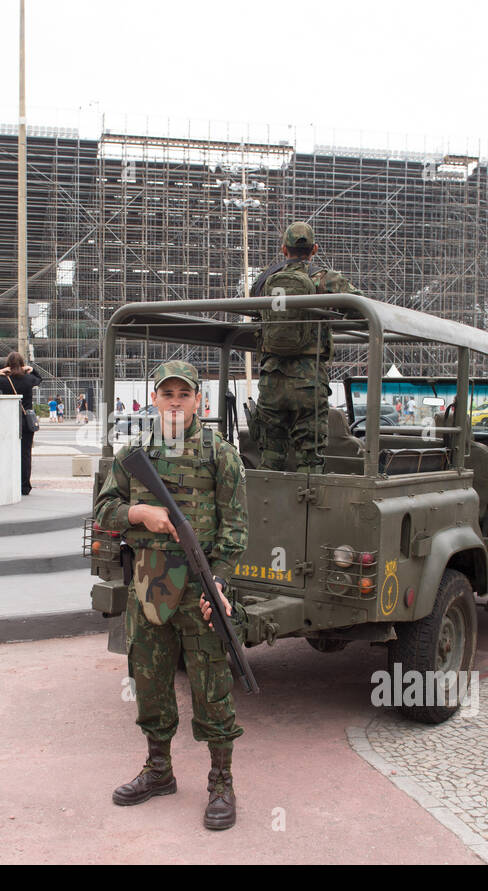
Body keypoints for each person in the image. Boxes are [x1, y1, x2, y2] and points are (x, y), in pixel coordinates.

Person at [94, 360, 249, 831]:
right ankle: (158, 770)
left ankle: (221, 781)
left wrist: (218, 584)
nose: (176, 402)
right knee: (150, 680)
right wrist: (140, 512)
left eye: (184, 394)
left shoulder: (220, 455)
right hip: (150, 585)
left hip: (200, 590)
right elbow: (104, 508)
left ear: (198, 400)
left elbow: (235, 532)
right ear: (155, 400)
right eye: (168, 394)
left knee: (212, 686)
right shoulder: (134, 453)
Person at [249, 221, 360, 472]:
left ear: (283, 250)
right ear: (315, 249)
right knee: (309, 458)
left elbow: (253, 310)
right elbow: (359, 305)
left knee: (270, 455)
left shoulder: (264, 281)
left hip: (271, 380)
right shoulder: (325, 279)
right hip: (309, 381)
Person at [0, 352, 42, 496]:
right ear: (22, 364)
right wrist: (31, 369)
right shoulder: (29, 379)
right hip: (26, 420)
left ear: (8, 365)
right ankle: (25, 486)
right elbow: (39, 379)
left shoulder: (5, 380)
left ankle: (9, 481)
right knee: (26, 453)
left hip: (9, 420)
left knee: (8, 452)